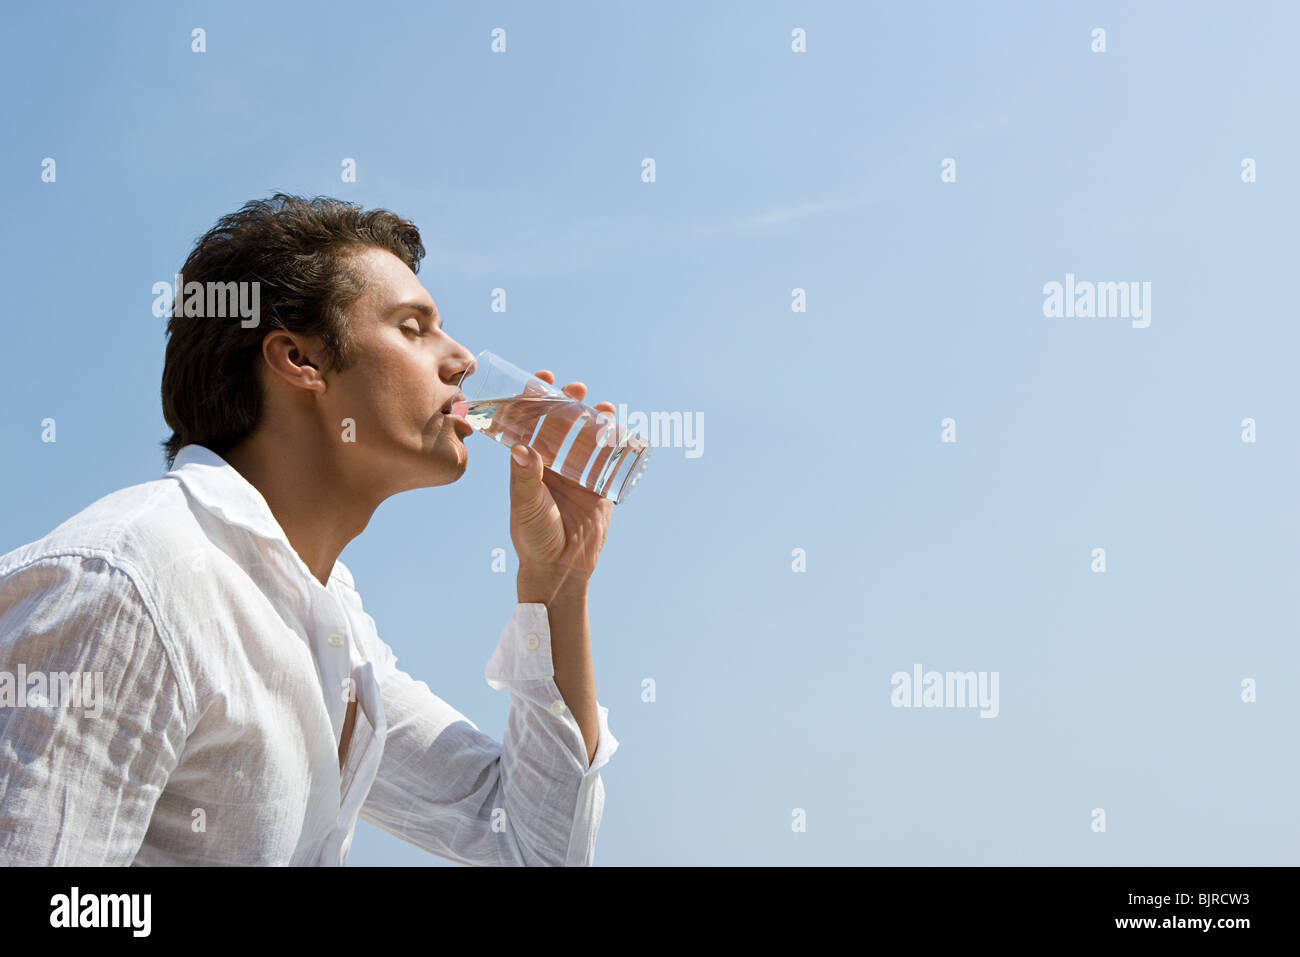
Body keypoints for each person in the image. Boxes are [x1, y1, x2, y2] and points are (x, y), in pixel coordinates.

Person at [0, 194, 620, 866]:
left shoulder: (333, 636)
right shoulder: (132, 582)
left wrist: (556, 584)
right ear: (301, 361)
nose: (464, 358)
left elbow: (531, 845)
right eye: (414, 328)